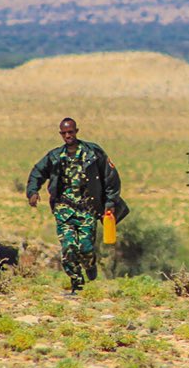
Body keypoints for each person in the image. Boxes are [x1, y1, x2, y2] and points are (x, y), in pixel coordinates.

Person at [26, 118, 129, 293]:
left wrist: (110, 202)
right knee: (68, 247)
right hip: (64, 209)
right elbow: (37, 172)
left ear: (76, 131)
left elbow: (111, 177)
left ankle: (90, 264)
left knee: (86, 247)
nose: (68, 136)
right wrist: (33, 191)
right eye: (64, 133)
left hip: (87, 208)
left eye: (71, 132)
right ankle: (77, 283)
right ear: (61, 134)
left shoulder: (93, 153)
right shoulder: (55, 156)